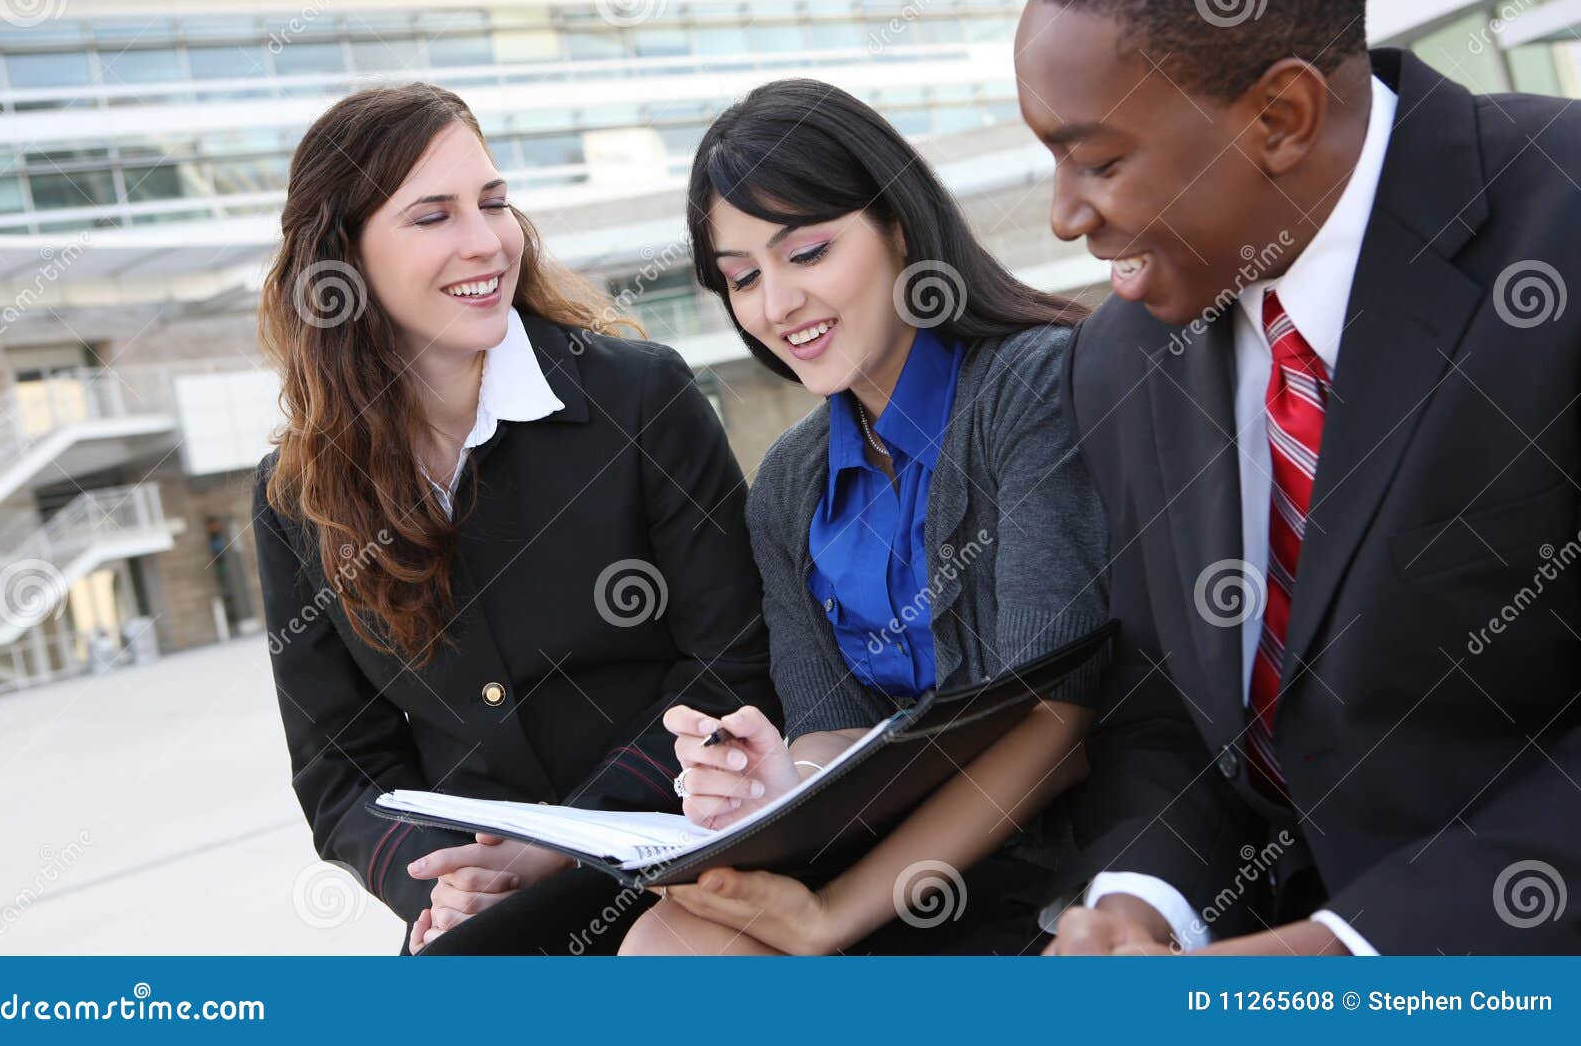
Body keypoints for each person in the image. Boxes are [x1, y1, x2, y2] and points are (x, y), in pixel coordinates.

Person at [1017, 0, 1581, 954]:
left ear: (1280, 117)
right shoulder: (1120, 356)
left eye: (1095, 160)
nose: (1065, 215)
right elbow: (1169, 714)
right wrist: (1141, 900)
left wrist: (1346, 949)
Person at [253, 82, 778, 955]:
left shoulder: (640, 398)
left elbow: (735, 663)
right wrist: (443, 879)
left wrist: (559, 843)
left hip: (676, 860)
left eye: (493, 203)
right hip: (476, 914)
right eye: (433, 215)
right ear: (340, 261)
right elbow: (340, 767)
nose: (485, 240)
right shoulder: (293, 495)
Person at [618, 79, 1111, 955]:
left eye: (806, 252)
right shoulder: (788, 483)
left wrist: (831, 912)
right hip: (901, 861)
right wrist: (779, 779)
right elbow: (833, 728)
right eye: (742, 278)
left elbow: (1053, 725)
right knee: (669, 937)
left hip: (1063, 861)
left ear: (898, 226)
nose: (776, 306)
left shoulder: (1032, 388)